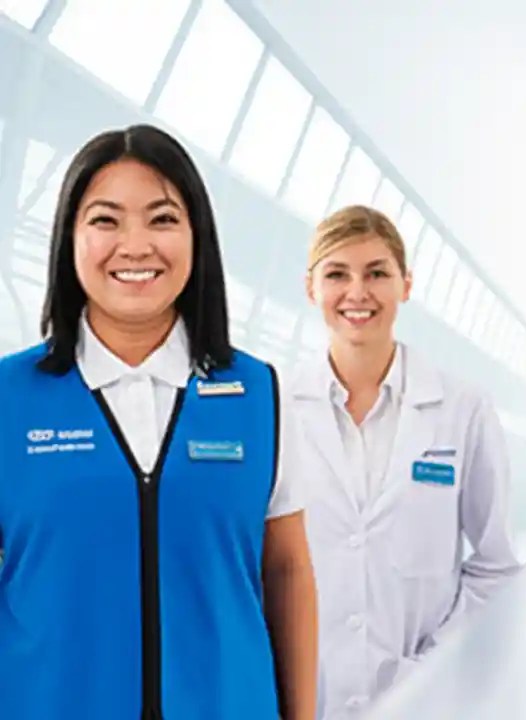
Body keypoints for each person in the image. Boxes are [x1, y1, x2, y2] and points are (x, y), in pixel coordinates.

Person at [0, 124, 317, 718]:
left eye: (163, 219)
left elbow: (288, 568)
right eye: (105, 220)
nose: (136, 245)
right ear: (69, 239)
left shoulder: (260, 396)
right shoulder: (7, 398)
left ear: (198, 236)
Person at [286, 204, 522, 718]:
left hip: (424, 702)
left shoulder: (463, 408)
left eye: (376, 273)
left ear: (406, 284)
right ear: (310, 288)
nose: (357, 293)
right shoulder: (276, 406)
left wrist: (433, 670)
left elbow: (496, 567)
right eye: (337, 274)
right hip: (304, 699)